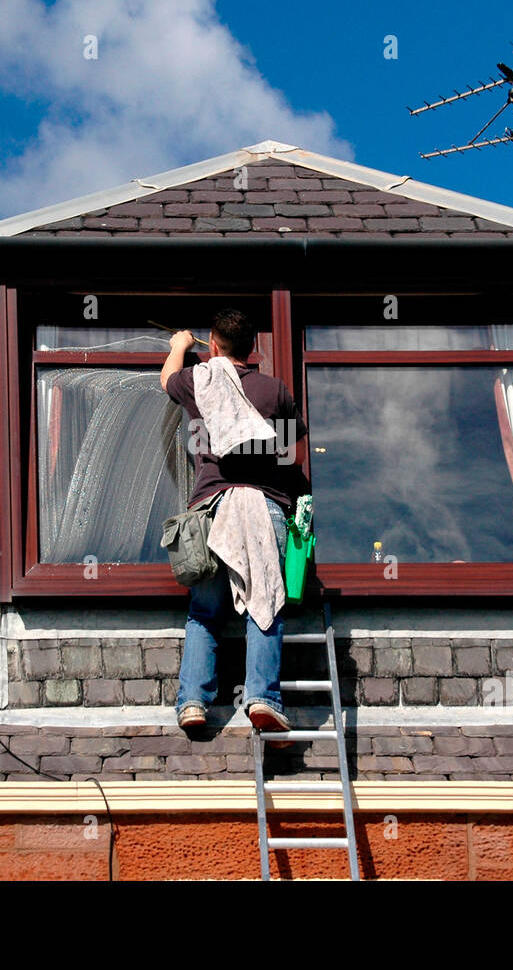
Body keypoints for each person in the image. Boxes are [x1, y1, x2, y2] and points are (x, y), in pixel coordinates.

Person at [160, 308, 308, 736]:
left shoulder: (199, 380)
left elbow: (166, 380)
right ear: (253, 349)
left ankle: (192, 702)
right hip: (265, 509)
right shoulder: (273, 389)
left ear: (213, 342)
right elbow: (294, 456)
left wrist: (179, 346)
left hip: (212, 508)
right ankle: (262, 697)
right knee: (264, 604)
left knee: (205, 611)